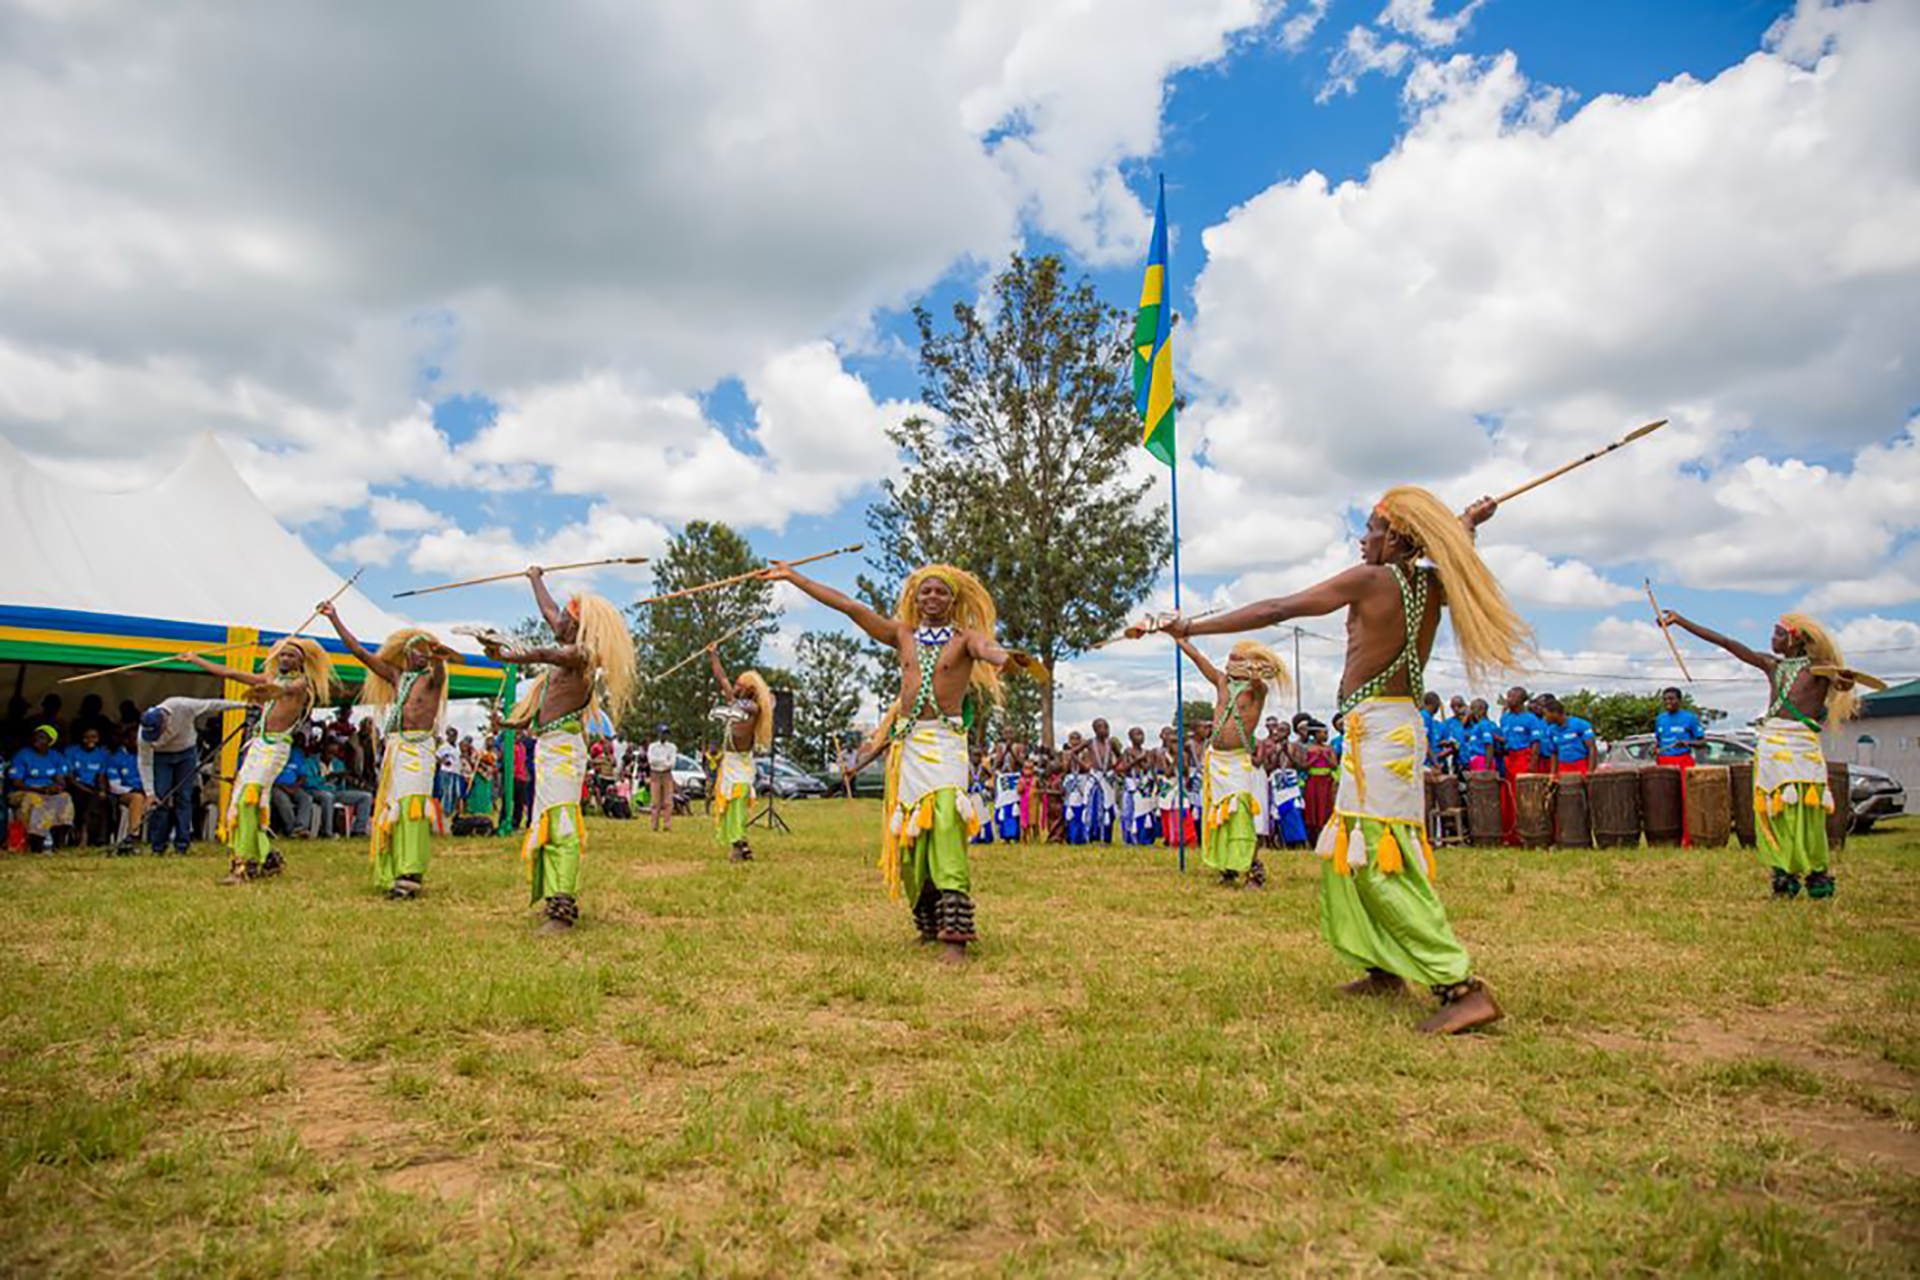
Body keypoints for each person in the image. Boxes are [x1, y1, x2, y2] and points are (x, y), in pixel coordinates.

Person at [1159, 485, 1526, 1034]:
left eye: (1372, 530)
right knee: (1349, 855)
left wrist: (1192, 627)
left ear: (1396, 538)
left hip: (1382, 735)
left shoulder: (1374, 580)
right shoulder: (1432, 584)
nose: (1362, 539)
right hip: (1376, 731)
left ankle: (1460, 986)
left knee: (1377, 859)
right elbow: (1451, 558)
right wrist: (1467, 526)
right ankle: (1383, 966)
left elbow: (1279, 608)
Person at [768, 561, 1007, 962]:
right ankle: (928, 922)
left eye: (941, 592)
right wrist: (794, 577)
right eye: (926, 591)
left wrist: (1004, 658)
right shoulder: (903, 635)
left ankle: (956, 934)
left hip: (946, 744)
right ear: (916, 597)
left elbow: (987, 649)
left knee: (945, 823)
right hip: (908, 748)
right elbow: (849, 606)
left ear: (953, 600)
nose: (932, 597)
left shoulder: (965, 639)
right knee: (910, 838)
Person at [479, 574, 638, 931]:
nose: (557, 621)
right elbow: (549, 612)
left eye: (565, 618)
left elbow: (544, 652)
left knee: (563, 824)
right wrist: (535, 578)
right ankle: (555, 897)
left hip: (564, 751)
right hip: (550, 748)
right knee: (549, 823)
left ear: (578, 626)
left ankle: (563, 907)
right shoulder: (567, 651)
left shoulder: (582, 655)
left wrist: (510, 653)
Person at [1661, 610, 1857, 898]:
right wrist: (1681, 621)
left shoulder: (1819, 668)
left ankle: (1817, 874)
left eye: (1778, 633)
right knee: (1776, 811)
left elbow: (1842, 683)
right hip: (1772, 746)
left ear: (1794, 639)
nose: (1772, 638)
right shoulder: (1772, 665)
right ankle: (1784, 875)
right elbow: (1727, 642)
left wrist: (1845, 681)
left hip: (1801, 747)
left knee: (1806, 811)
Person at [317, 604, 453, 900]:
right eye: (417, 651)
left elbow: (441, 672)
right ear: (406, 654)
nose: (422, 655)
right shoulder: (397, 676)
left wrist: (440, 658)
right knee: (393, 808)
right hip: (396, 749)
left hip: (419, 748)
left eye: (426, 651)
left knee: (412, 807)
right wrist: (334, 617)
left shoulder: (433, 678)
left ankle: (411, 873)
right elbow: (359, 652)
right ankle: (394, 870)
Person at [183, 637, 334, 884]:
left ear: (301, 662)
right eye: (282, 654)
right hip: (257, 746)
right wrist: (196, 659)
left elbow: (287, 689)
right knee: (239, 802)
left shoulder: (303, 683)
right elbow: (230, 673)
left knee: (249, 800)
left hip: (276, 747)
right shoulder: (271, 679)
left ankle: (245, 864)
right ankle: (266, 856)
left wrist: (267, 688)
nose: (285, 659)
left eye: (291, 655)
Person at [1166, 634, 1290, 888]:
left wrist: (1254, 667)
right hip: (1216, 759)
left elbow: (1263, 676)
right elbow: (1200, 660)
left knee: (1241, 815)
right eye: (1230, 658)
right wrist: (1181, 641)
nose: (1229, 663)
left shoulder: (1257, 689)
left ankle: (1254, 870)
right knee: (1218, 815)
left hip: (1238, 761)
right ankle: (1228, 868)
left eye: (1237, 659)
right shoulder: (1222, 682)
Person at [136, 693, 247, 855]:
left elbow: (212, 704)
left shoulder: (182, 706)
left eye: (158, 732)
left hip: (186, 754)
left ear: (165, 721)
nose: (156, 737)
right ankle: (158, 846)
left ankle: (182, 845)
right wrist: (149, 793)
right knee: (160, 798)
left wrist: (243, 705)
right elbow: (144, 763)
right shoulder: (143, 736)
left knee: (184, 797)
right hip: (161, 758)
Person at [706, 646, 773, 863]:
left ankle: (737, 845)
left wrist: (733, 698)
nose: (734, 688)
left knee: (737, 804)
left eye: (739, 686)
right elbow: (722, 678)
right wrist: (714, 654)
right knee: (729, 805)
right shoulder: (738, 702)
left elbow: (742, 703)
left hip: (742, 764)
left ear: (749, 690)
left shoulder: (752, 707)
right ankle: (741, 844)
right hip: (730, 762)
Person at [1652, 687, 1706, 848]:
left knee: (1685, 799)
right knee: (1666, 800)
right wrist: (1655, 749)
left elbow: (1702, 742)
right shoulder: (1660, 719)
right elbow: (1658, 741)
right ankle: (1668, 839)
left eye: (1671, 699)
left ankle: (1687, 839)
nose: (1668, 702)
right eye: (1665, 699)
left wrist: (1688, 742)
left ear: (1679, 700)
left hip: (1683, 761)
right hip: (1664, 762)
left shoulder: (1689, 718)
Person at [9, 726, 75, 851]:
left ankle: (59, 842)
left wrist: (57, 788)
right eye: (36, 736)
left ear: (50, 741)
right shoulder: (22, 755)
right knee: (35, 799)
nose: (37, 739)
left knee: (65, 797)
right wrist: (40, 790)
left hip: (47, 791)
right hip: (25, 791)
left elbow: (61, 780)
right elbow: (17, 782)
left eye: (42, 737)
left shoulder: (56, 756)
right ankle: (36, 841)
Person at [1495, 686, 1546, 844]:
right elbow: (1506, 739)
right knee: (1510, 797)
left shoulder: (1531, 719)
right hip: (1509, 759)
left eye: (1512, 696)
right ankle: (1511, 836)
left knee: (1525, 797)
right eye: (1508, 695)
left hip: (1524, 759)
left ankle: (1530, 834)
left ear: (1521, 700)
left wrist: (1532, 764)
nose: (1508, 699)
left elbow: (1536, 743)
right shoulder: (1505, 719)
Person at [63, 725, 114, 846]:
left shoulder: (102, 753)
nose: (90, 740)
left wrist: (102, 791)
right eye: (86, 737)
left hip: (93, 786)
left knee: (104, 802)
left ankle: (101, 838)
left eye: (94, 737)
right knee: (89, 800)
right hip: (76, 786)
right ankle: (85, 835)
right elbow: (70, 777)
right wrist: (88, 791)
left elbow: (101, 776)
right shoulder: (71, 751)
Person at [104, 724, 147, 848]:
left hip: (147, 792)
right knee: (137, 798)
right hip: (125, 794)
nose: (138, 742)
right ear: (126, 740)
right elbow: (114, 786)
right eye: (134, 739)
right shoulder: (116, 758)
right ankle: (133, 836)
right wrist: (132, 790)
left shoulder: (146, 756)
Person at [1541, 698, 1596, 776]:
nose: (1544, 718)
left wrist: (1590, 771)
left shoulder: (1580, 724)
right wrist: (1553, 774)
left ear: (1555, 713)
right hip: (1563, 767)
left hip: (1581, 766)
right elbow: (1554, 753)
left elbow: (1591, 748)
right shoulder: (1550, 731)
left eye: (1545, 714)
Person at [646, 724, 678, 832]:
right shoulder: (652, 747)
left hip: (667, 774)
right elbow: (651, 761)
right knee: (655, 802)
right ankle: (654, 825)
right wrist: (664, 760)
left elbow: (672, 763)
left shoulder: (672, 747)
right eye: (662, 733)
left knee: (668, 802)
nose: (664, 736)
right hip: (655, 774)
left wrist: (660, 761)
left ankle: (667, 825)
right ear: (658, 734)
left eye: (666, 734)